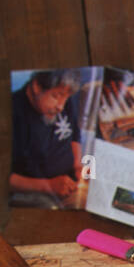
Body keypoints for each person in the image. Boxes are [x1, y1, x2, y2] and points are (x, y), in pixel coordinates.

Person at [10, 70, 84, 206]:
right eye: (55, 96)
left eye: (66, 98)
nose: (61, 107)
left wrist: (77, 165)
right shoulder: (13, 114)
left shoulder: (64, 93)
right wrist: (47, 186)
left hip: (69, 181)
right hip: (36, 190)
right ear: (37, 86)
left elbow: (75, 135)